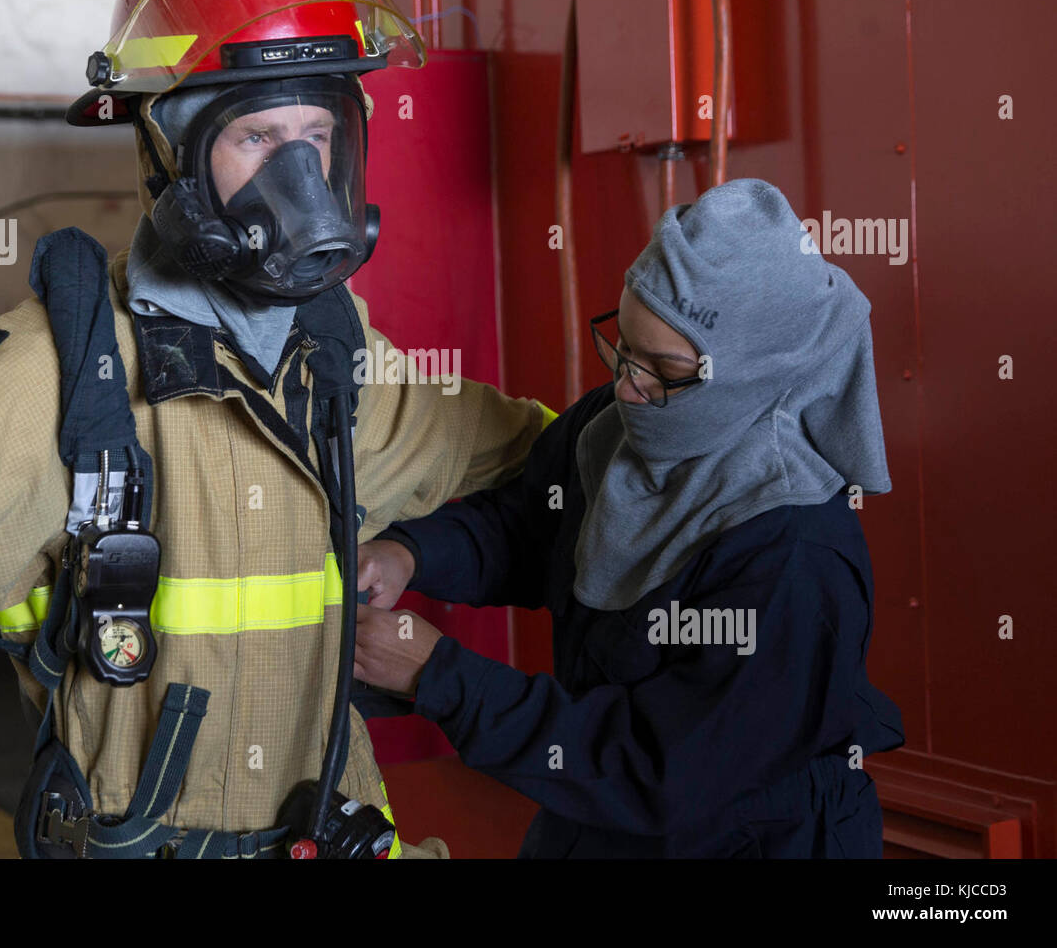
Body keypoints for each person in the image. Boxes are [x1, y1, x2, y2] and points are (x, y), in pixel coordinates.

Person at [0, 0, 553, 859]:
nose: (300, 178)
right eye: (258, 139)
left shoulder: (344, 366)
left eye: (318, 133)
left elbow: (543, 456)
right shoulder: (66, 379)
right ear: (168, 153)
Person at [355, 178, 906, 858]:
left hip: (745, 836)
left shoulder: (791, 552)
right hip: (600, 814)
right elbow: (534, 528)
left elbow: (655, 767)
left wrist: (435, 675)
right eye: (624, 346)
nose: (626, 386)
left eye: (662, 369)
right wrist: (409, 552)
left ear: (746, 375)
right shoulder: (620, 426)